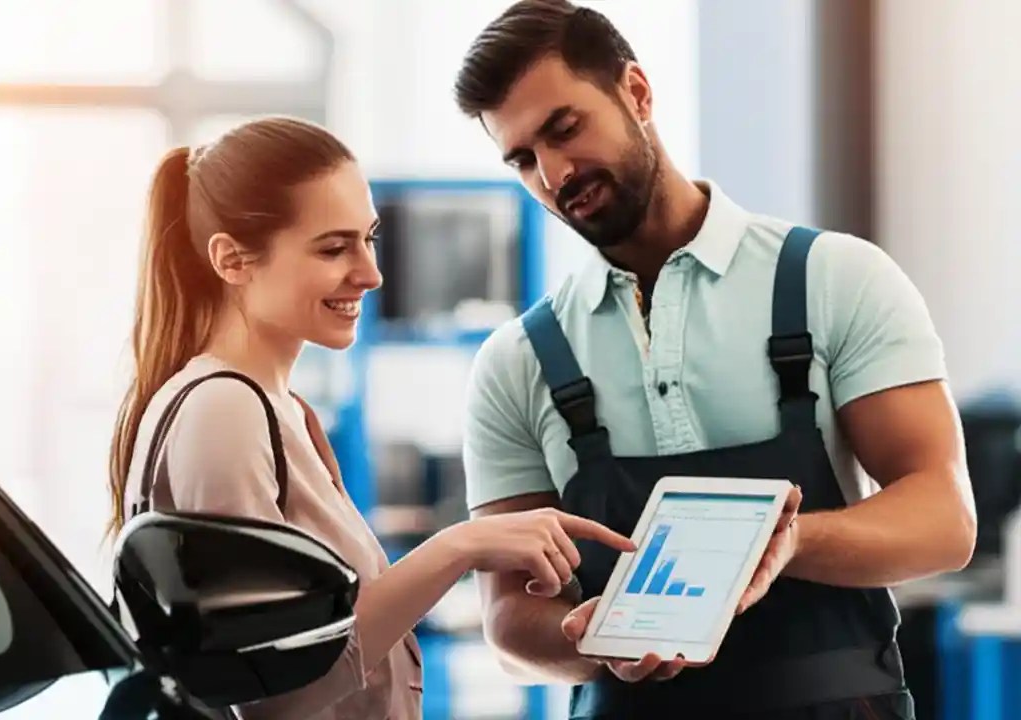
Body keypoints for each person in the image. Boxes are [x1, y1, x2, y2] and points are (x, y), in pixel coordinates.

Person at [452, 1, 976, 718]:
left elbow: (942, 519)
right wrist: (589, 641)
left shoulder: (833, 281)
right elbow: (508, 620)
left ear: (636, 92)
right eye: (522, 159)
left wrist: (786, 543)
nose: (553, 173)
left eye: (564, 129)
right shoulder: (518, 361)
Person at [105, 116, 635, 720]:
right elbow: (268, 692)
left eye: (369, 239)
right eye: (333, 248)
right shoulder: (222, 408)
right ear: (231, 260)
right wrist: (458, 548)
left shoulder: (278, 409)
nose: (371, 274)